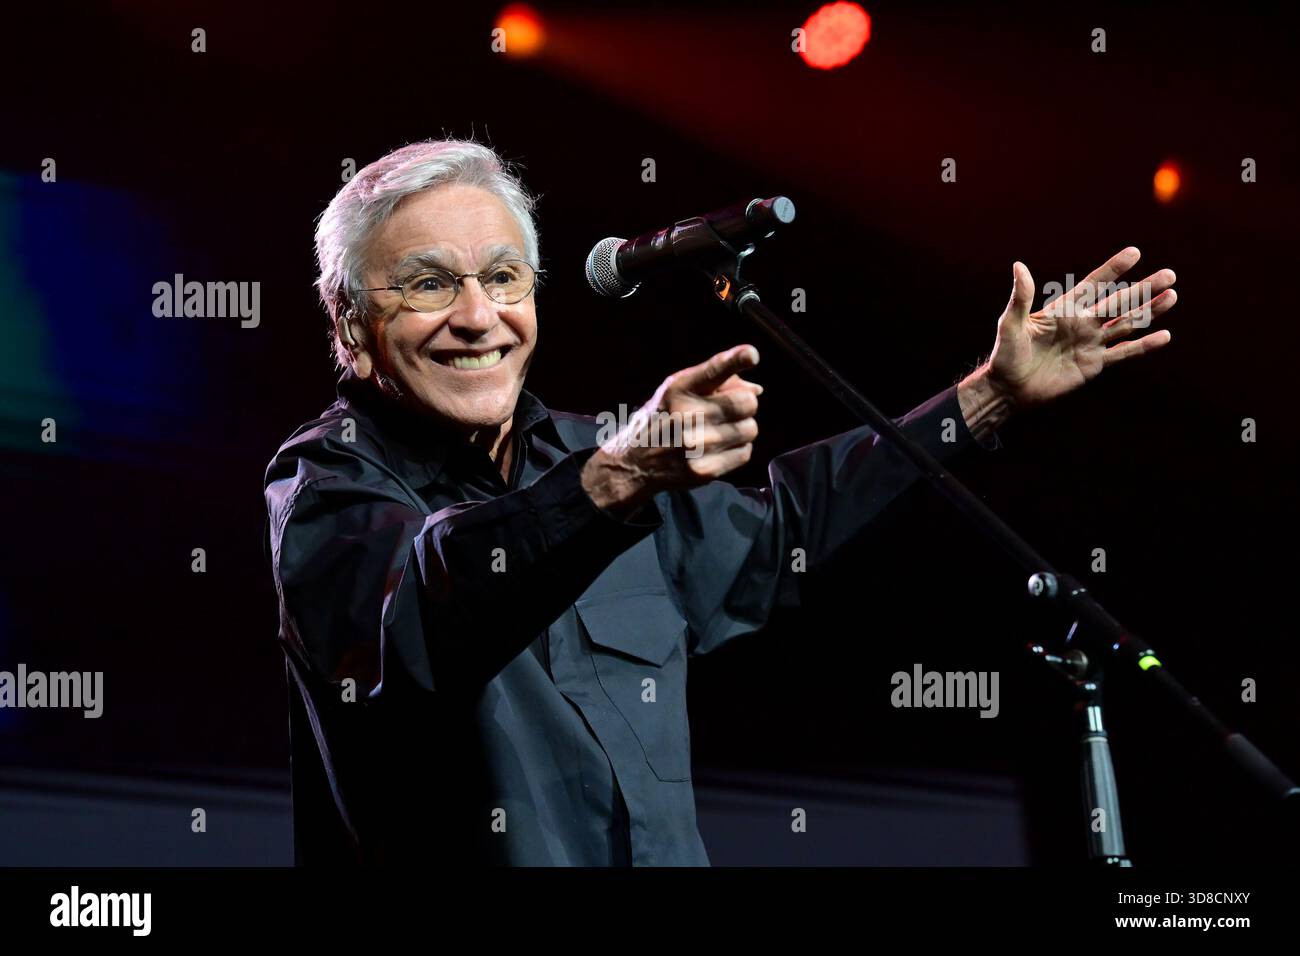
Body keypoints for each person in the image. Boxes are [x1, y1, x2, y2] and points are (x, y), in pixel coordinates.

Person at [263, 138, 1177, 865]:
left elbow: (788, 531)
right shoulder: (327, 482)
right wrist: (619, 478)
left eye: (503, 278)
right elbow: (424, 612)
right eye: (428, 283)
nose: (478, 314)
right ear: (349, 318)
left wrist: (985, 399)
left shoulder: (587, 453)